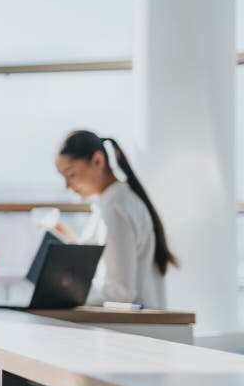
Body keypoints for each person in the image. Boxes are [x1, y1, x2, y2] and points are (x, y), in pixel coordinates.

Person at [54, 130, 177, 308]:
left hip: (132, 329)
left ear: (98, 161)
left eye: (71, 174)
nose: (67, 186)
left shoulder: (115, 208)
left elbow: (120, 293)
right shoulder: (115, 202)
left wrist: (64, 293)